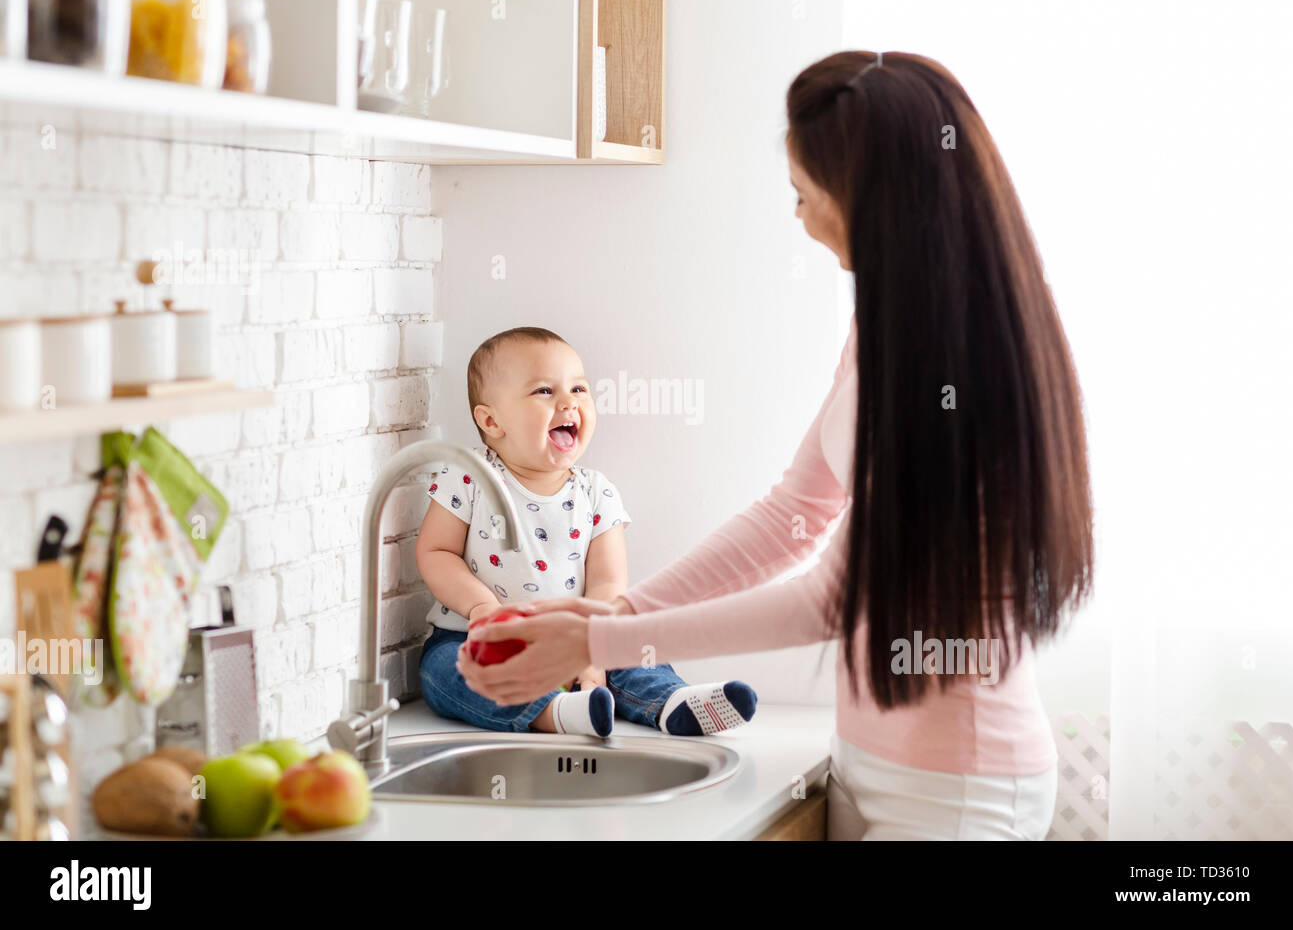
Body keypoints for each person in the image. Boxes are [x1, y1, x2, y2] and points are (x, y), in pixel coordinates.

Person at [457, 51, 1094, 840]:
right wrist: (619, 608)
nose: (796, 214)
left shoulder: (955, 359)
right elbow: (795, 511)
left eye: (804, 191)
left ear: (873, 195)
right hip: (870, 762)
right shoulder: (885, 324)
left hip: (956, 793)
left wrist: (598, 640)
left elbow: (835, 598)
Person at [415, 326, 757, 738]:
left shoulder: (596, 492)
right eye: (544, 391)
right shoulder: (468, 475)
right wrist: (481, 607)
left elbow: (608, 583)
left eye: (579, 389)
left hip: (576, 641)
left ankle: (672, 702)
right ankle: (555, 712)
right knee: (445, 672)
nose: (568, 403)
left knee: (632, 643)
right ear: (491, 420)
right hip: (474, 640)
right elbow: (436, 552)